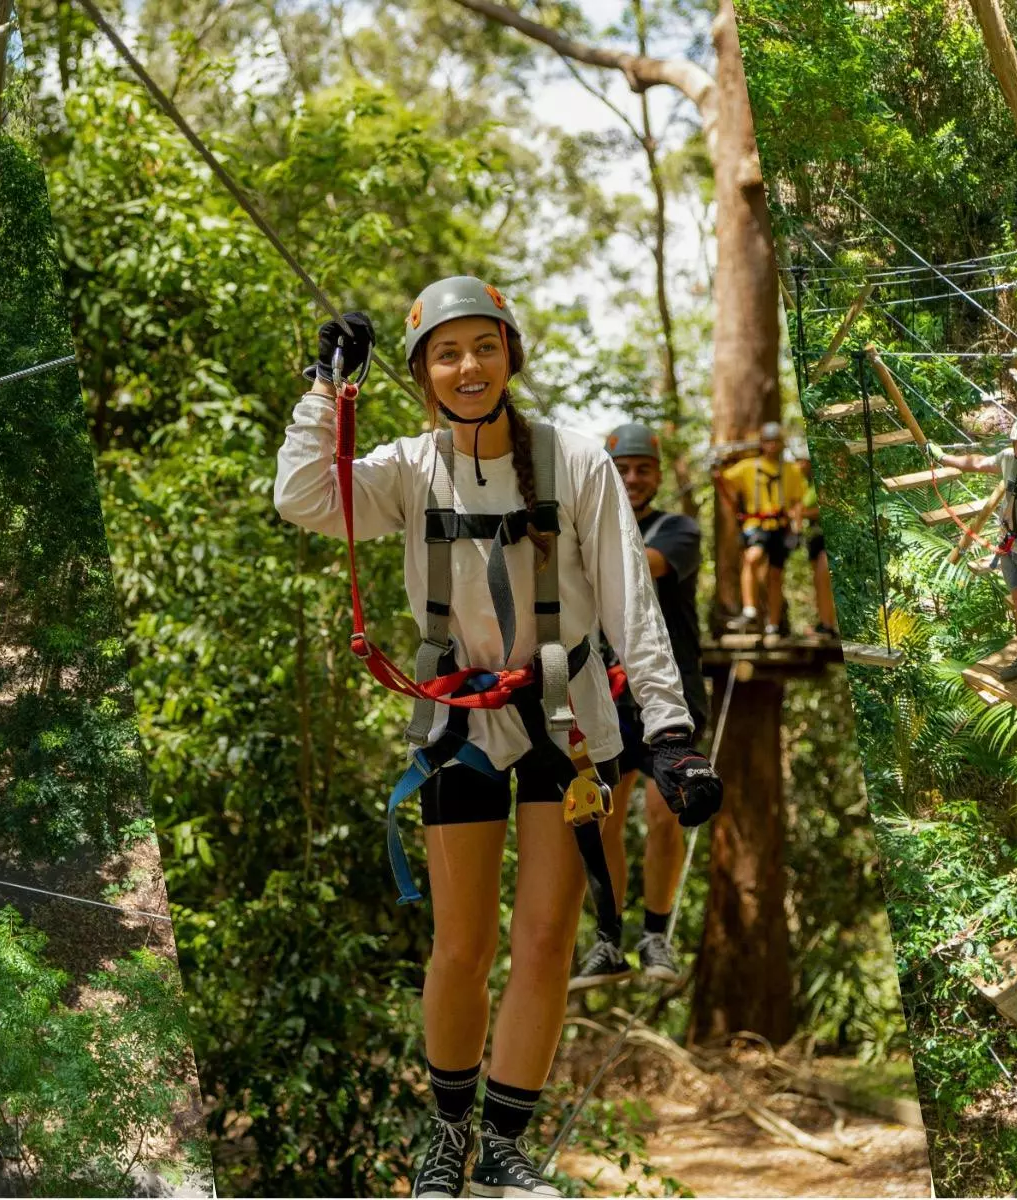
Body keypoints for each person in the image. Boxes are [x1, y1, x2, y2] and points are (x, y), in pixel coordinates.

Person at [273, 278, 722, 1199]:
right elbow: (303, 496)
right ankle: (447, 1137)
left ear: (510, 356)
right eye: (446, 353)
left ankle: (504, 1146)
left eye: (484, 347)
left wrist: (670, 733)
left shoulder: (577, 462)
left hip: (569, 721)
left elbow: (631, 607)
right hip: (462, 719)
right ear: (423, 374)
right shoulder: (408, 468)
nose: (467, 366)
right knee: (462, 942)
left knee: (548, 936)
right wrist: (325, 387)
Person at [569, 422, 707, 991]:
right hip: (606, 693)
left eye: (642, 469)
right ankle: (609, 939)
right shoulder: (588, 530)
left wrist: (580, 533)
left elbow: (639, 565)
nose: (632, 478)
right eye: (621, 469)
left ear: (658, 475)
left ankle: (654, 935)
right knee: (603, 815)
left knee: (663, 811)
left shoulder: (677, 530)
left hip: (667, 694)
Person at [927, 413, 1017, 693]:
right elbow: (977, 463)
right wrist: (943, 458)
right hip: (1010, 546)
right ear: (1014, 444)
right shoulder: (1008, 460)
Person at [713, 421, 804, 644]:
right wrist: (718, 463)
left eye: (776, 441)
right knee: (752, 557)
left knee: (775, 575)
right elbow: (723, 478)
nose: (772, 446)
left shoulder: (791, 470)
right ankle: (750, 609)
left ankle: (773, 624)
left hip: (780, 527)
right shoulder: (748, 466)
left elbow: (797, 503)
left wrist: (797, 529)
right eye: (768, 441)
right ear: (762, 443)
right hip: (756, 524)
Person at [795, 450, 839, 638]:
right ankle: (825, 623)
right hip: (813, 537)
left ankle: (829, 624)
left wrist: (802, 514)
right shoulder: (804, 483)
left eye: (802, 461)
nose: (799, 466)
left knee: (824, 577)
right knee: (818, 581)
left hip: (824, 535)